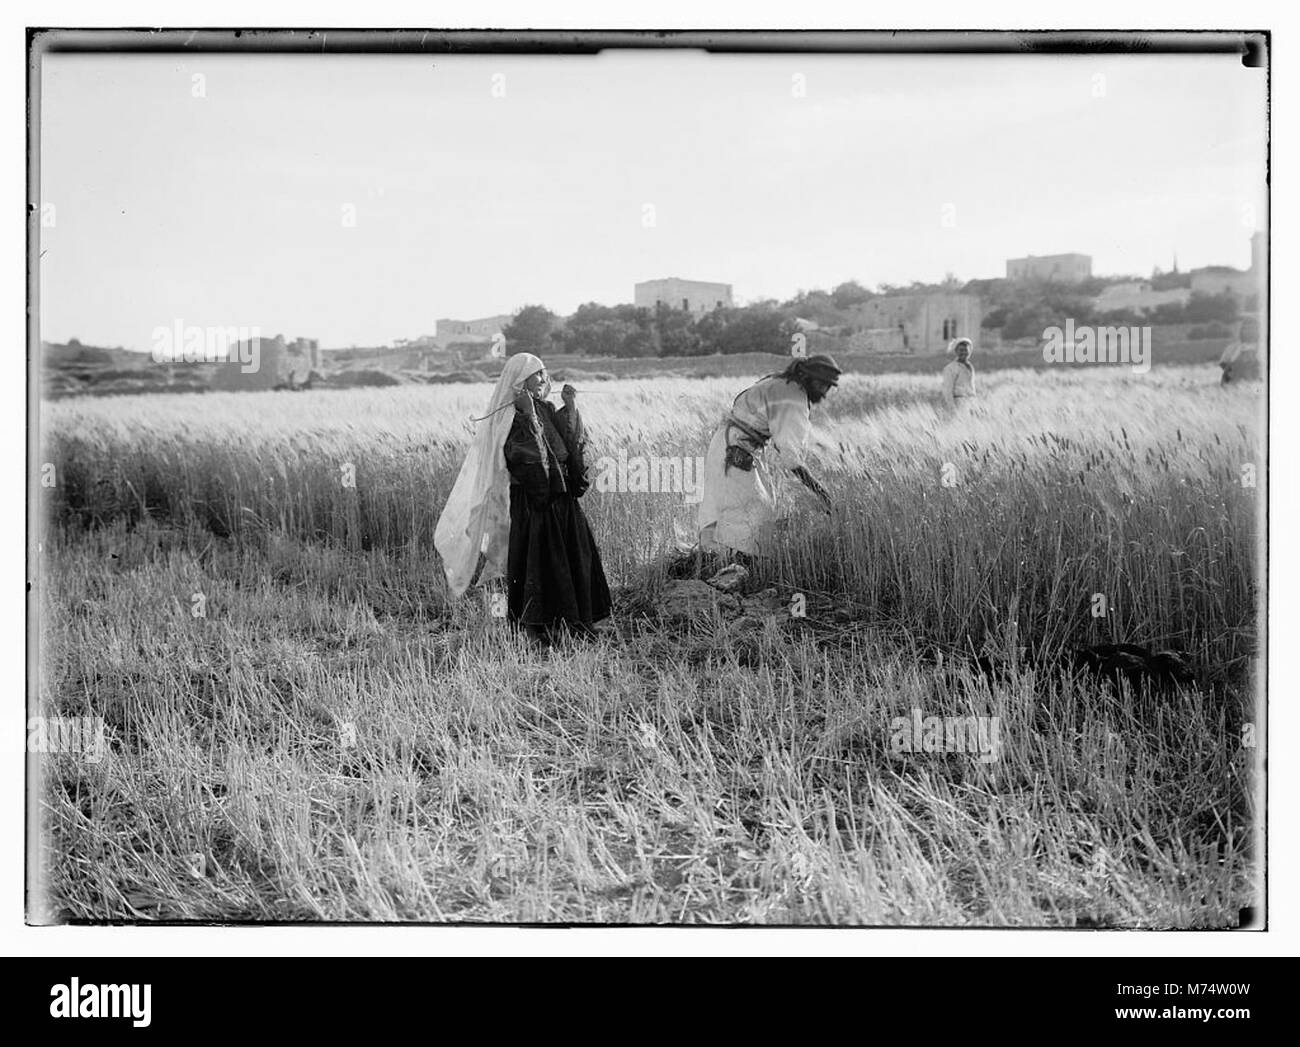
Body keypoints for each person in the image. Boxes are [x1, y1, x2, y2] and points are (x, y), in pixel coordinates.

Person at [434, 353, 610, 642]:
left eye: (543, 373)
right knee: (538, 563)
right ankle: (536, 629)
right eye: (537, 374)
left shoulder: (546, 408)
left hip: (561, 499)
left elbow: (566, 447)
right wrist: (527, 416)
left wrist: (571, 407)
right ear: (520, 380)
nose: (544, 379)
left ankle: (576, 622)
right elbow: (528, 463)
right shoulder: (509, 417)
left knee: (574, 557)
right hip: (535, 503)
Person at [697, 353, 840, 559]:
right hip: (735, 451)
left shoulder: (779, 382)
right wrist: (823, 494)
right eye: (822, 385)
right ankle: (733, 568)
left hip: (727, 443)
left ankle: (711, 563)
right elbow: (790, 455)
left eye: (828, 387)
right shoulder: (793, 397)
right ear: (807, 378)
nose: (824, 393)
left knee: (724, 507)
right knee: (755, 512)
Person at [1220, 317, 1261, 385]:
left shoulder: (1263, 348)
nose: (1249, 331)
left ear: (1258, 331)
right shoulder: (1231, 348)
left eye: (1252, 328)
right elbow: (1223, 365)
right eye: (1246, 328)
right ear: (1241, 330)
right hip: (1235, 381)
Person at [940, 337, 976, 410]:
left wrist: (974, 405)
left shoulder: (970, 366)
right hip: (958, 404)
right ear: (956, 351)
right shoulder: (950, 368)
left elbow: (972, 388)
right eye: (961, 350)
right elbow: (947, 391)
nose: (964, 352)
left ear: (969, 351)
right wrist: (952, 408)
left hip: (970, 404)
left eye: (966, 350)